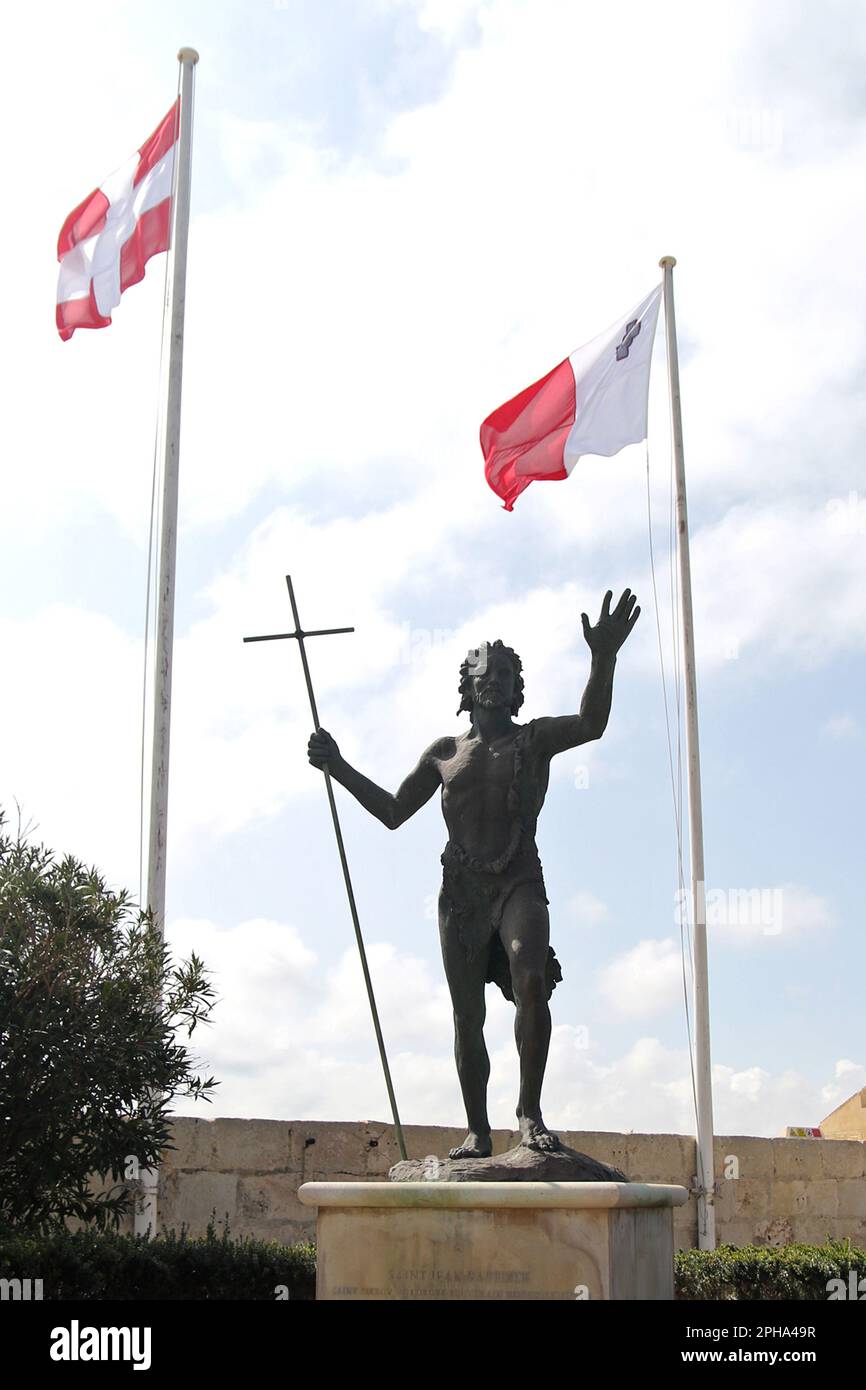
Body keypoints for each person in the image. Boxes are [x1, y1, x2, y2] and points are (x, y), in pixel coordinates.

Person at [308, 588, 640, 1158]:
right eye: (486, 671)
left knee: (530, 979)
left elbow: (591, 722)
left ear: (517, 689)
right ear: (467, 684)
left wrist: (603, 657)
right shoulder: (444, 751)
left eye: (508, 673)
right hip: (461, 893)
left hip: (518, 880)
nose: (496, 679)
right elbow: (392, 812)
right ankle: (478, 1131)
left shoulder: (532, 740)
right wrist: (337, 766)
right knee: (468, 1014)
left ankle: (529, 1115)